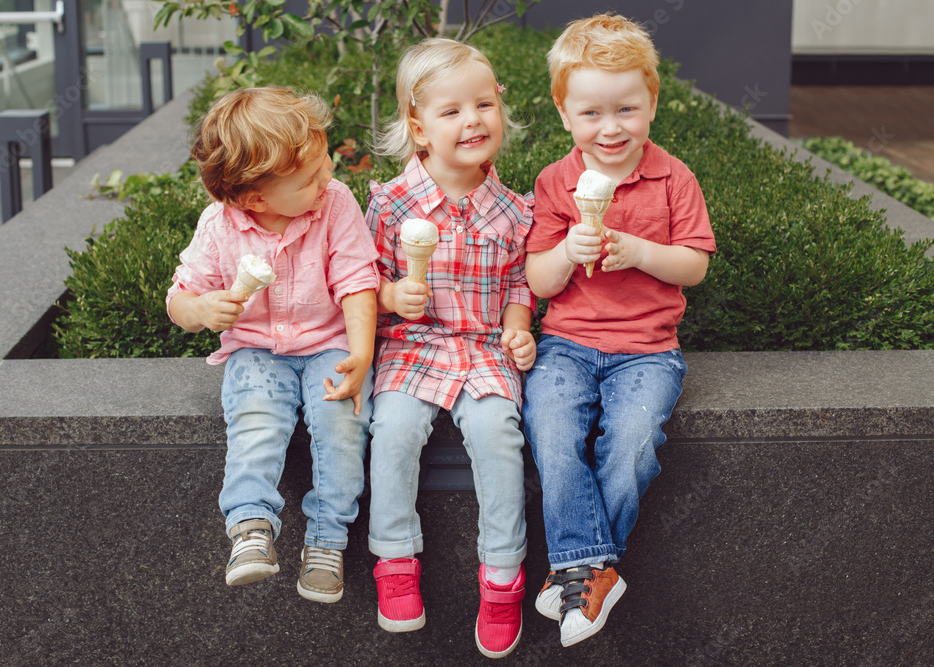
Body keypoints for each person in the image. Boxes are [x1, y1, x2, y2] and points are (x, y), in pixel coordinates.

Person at [522, 13, 718, 647]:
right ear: (564, 115)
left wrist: (637, 251)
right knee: (552, 433)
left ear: (652, 105)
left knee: (631, 443)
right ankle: (597, 569)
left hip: (647, 352)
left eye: (627, 110)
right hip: (566, 345)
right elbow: (540, 281)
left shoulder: (673, 178)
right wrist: (565, 253)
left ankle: (579, 567)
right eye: (591, 114)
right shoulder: (555, 183)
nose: (610, 129)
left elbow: (694, 266)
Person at [166, 87, 379, 603]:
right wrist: (202, 308)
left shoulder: (335, 203)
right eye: (309, 177)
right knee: (256, 421)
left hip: (328, 342)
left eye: (324, 160)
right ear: (254, 198)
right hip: (255, 349)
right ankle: (250, 527)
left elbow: (357, 282)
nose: (327, 175)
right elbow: (179, 300)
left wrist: (361, 354)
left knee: (342, 428)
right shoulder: (219, 225)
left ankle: (328, 538)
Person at [365, 38, 536, 659]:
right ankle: (394, 557)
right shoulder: (390, 204)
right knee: (394, 430)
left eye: (484, 104)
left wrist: (519, 327)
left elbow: (519, 282)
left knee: (498, 434)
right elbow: (364, 283)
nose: (472, 120)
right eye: (451, 111)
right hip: (412, 346)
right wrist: (391, 297)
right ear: (417, 127)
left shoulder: (517, 212)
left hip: (486, 348)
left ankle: (502, 574)